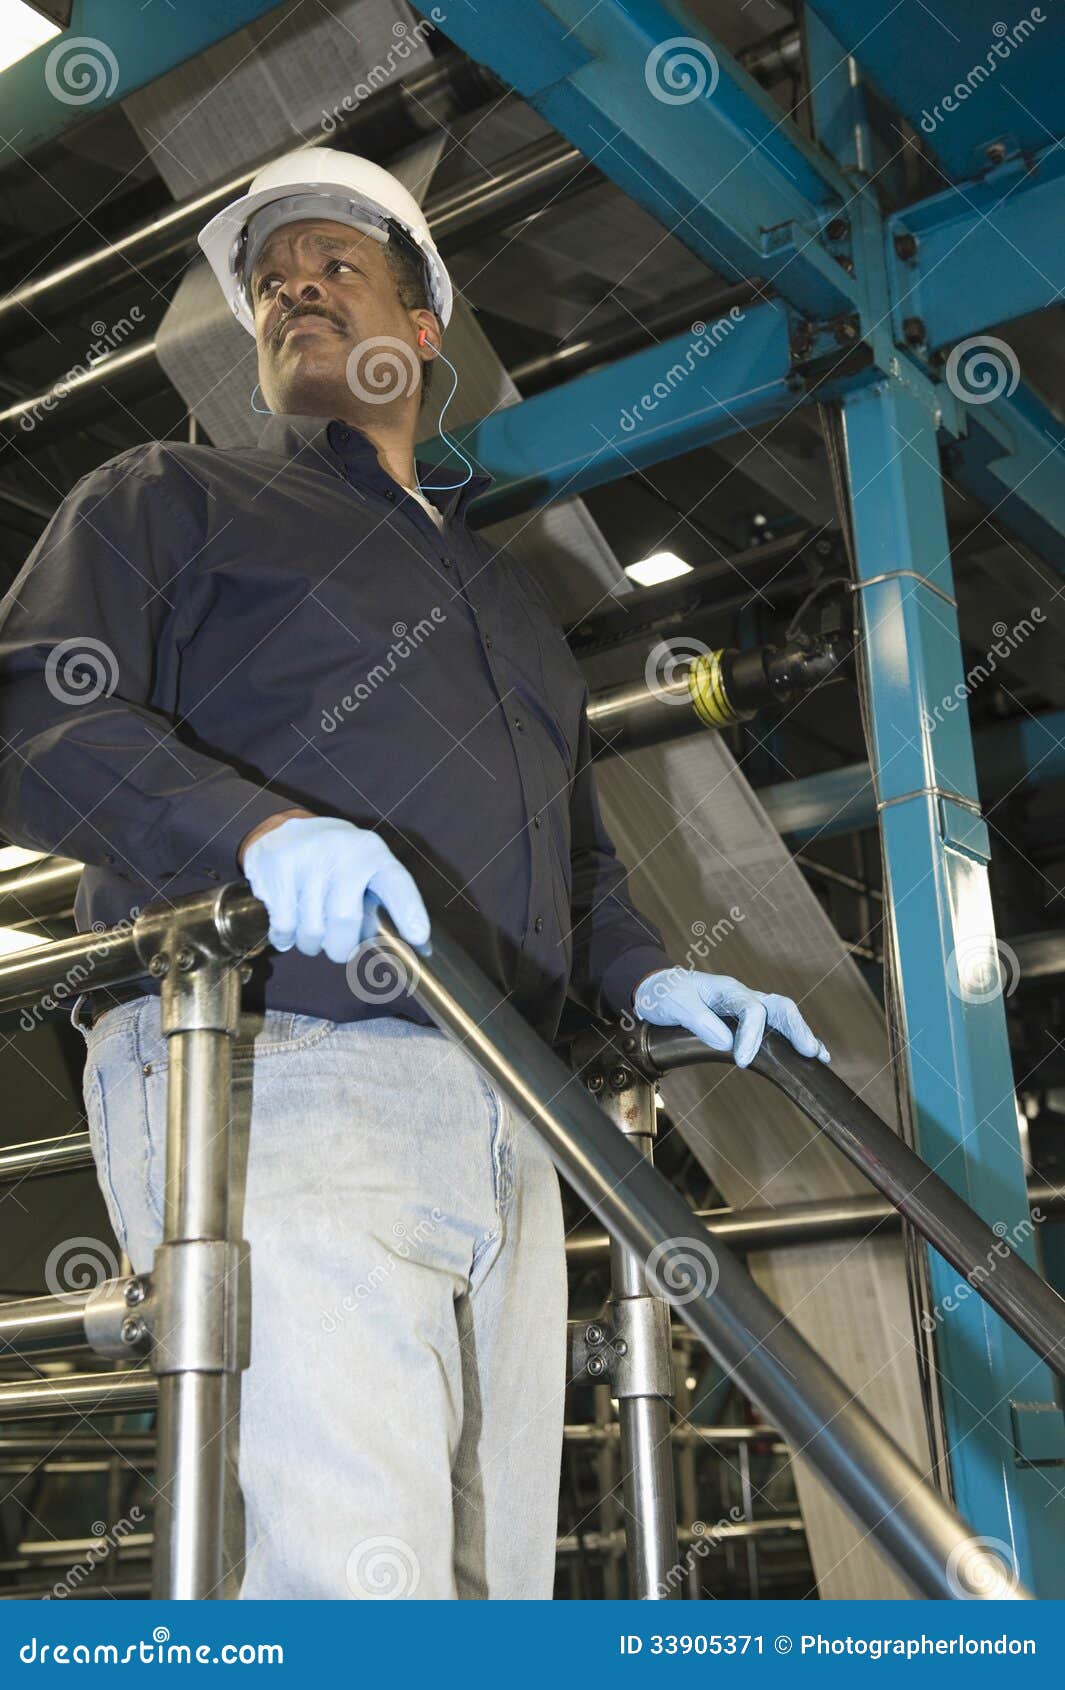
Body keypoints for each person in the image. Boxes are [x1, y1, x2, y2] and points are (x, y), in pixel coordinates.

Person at [0, 147, 828, 1600]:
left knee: (485, 1580)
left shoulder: (510, 607)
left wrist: (653, 976)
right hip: (270, 1059)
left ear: (423, 328)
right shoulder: (169, 497)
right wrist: (251, 835)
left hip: (508, 1109)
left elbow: (571, 863)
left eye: (334, 270)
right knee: (353, 1571)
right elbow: (32, 711)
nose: (292, 295)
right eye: (269, 285)